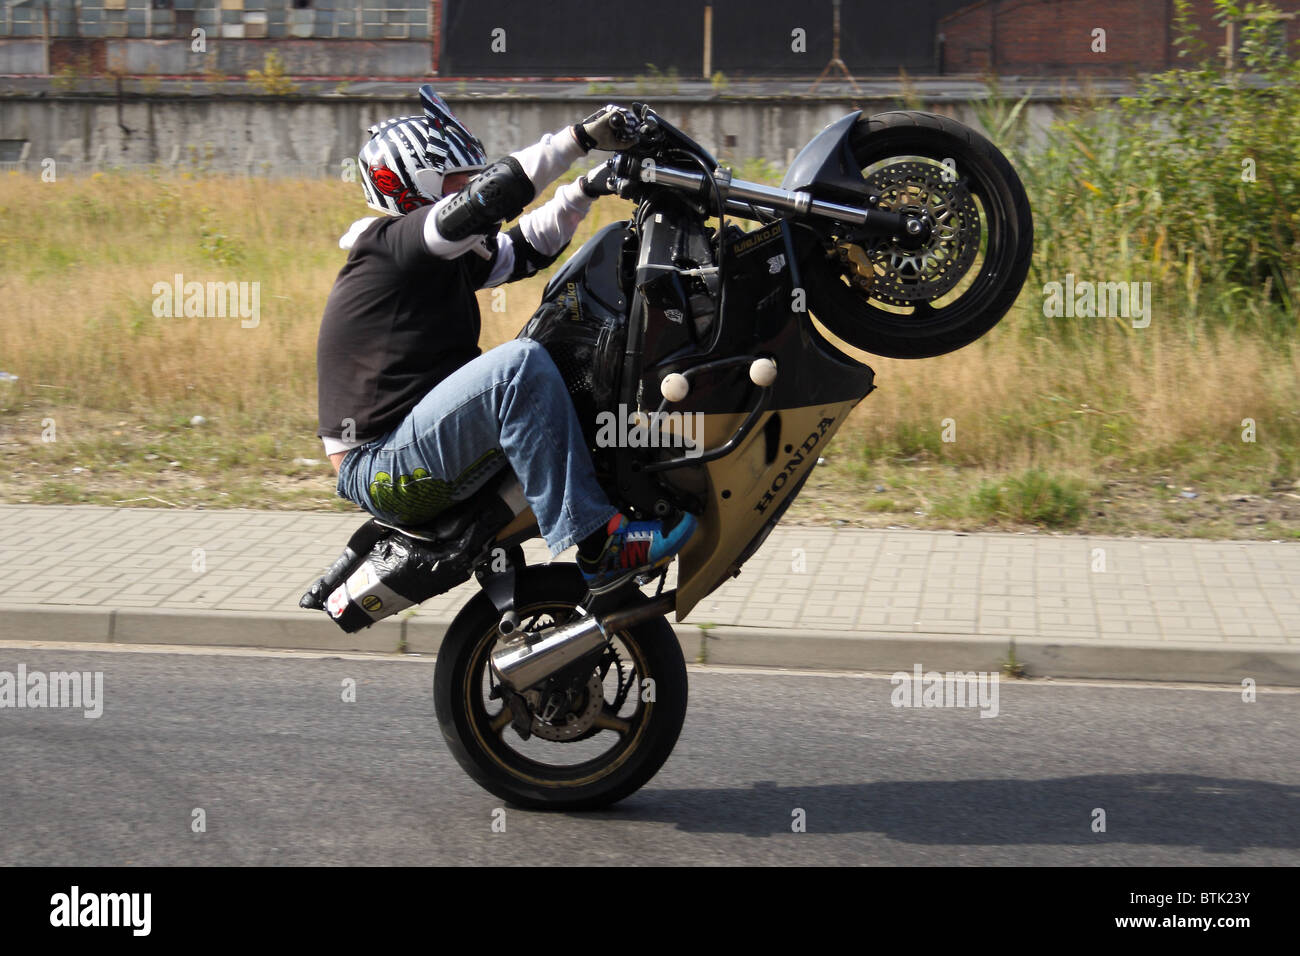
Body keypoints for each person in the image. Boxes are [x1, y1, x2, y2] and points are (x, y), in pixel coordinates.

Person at [317, 86, 695, 593]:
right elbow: (484, 202)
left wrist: (585, 189)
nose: (472, 187)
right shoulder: (391, 245)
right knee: (517, 367)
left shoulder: (432, 258)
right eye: (458, 181)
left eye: (472, 178)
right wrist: (577, 139)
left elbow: (521, 249)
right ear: (411, 187)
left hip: (406, 447)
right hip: (380, 464)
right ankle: (601, 545)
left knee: (561, 361)